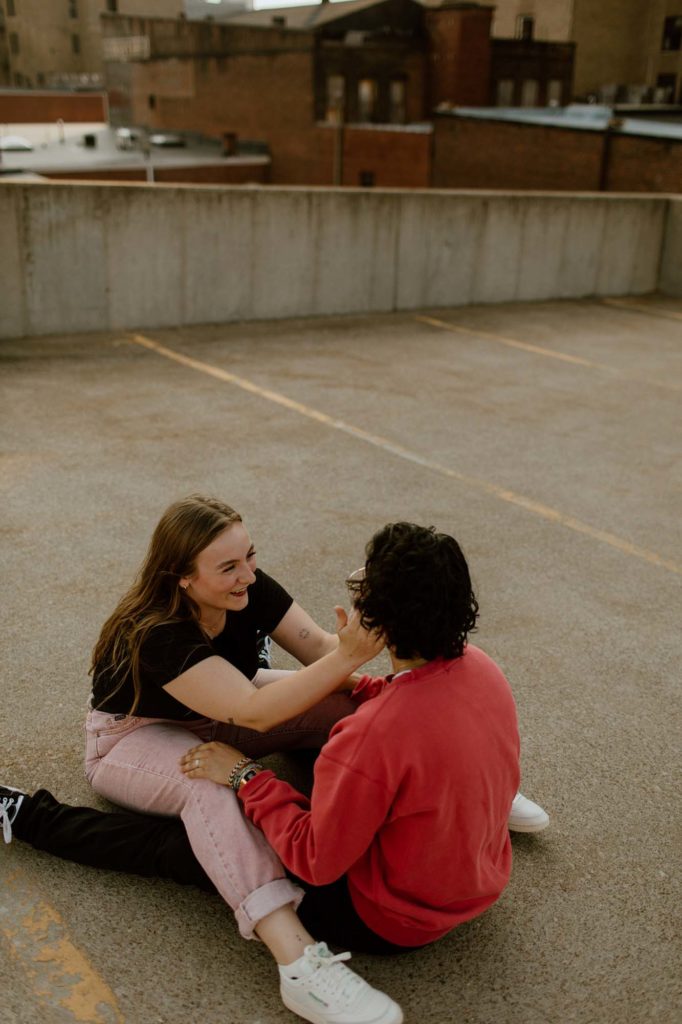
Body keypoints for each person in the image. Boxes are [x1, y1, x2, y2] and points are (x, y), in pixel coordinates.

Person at [1, 505, 548, 1019]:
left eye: (250, 557)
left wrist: (441, 755)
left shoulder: (250, 589)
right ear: (183, 578)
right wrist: (247, 774)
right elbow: (256, 713)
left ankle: (459, 789)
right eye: (228, 567)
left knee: (344, 700)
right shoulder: (157, 634)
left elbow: (323, 656)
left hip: (228, 703)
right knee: (208, 796)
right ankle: (296, 961)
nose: (247, 575)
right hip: (134, 739)